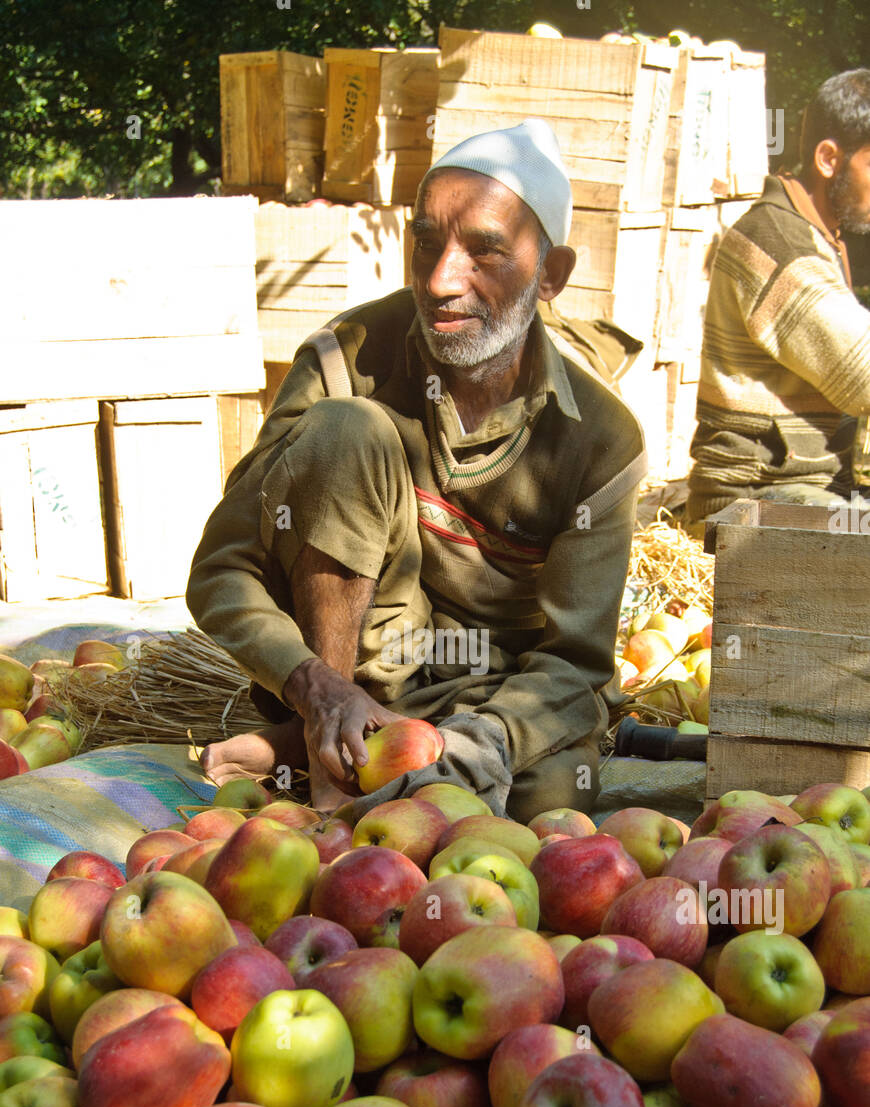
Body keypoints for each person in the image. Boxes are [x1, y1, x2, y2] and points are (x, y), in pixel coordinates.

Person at [185, 120, 647, 821]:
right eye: (426, 244)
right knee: (348, 429)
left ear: (551, 275)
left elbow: (576, 666)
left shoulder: (602, 441)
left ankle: (354, 752)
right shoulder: (344, 362)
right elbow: (222, 572)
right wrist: (314, 688)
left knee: (553, 804)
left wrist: (486, 742)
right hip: (345, 668)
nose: (440, 281)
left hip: (485, 691)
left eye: (484, 251)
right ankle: (329, 760)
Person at [685, 68, 870, 524]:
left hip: (804, 481)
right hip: (749, 497)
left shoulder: (810, 231)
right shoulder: (779, 245)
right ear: (829, 159)